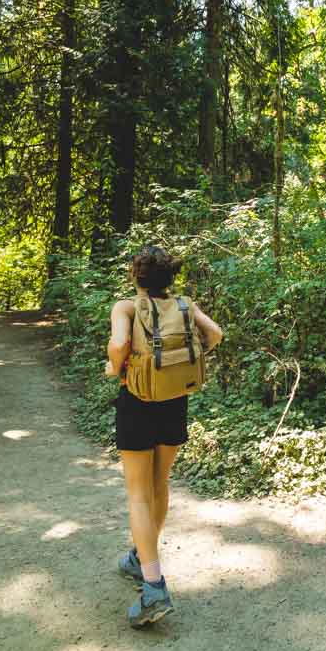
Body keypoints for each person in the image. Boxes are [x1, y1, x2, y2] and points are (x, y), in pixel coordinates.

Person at [104, 245, 223, 627]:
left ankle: (153, 587)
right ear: (169, 278)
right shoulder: (186, 305)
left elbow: (120, 345)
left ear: (135, 275)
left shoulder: (125, 307)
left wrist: (114, 366)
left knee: (138, 493)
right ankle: (142, 557)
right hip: (175, 399)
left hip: (138, 400)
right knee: (160, 482)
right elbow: (216, 334)